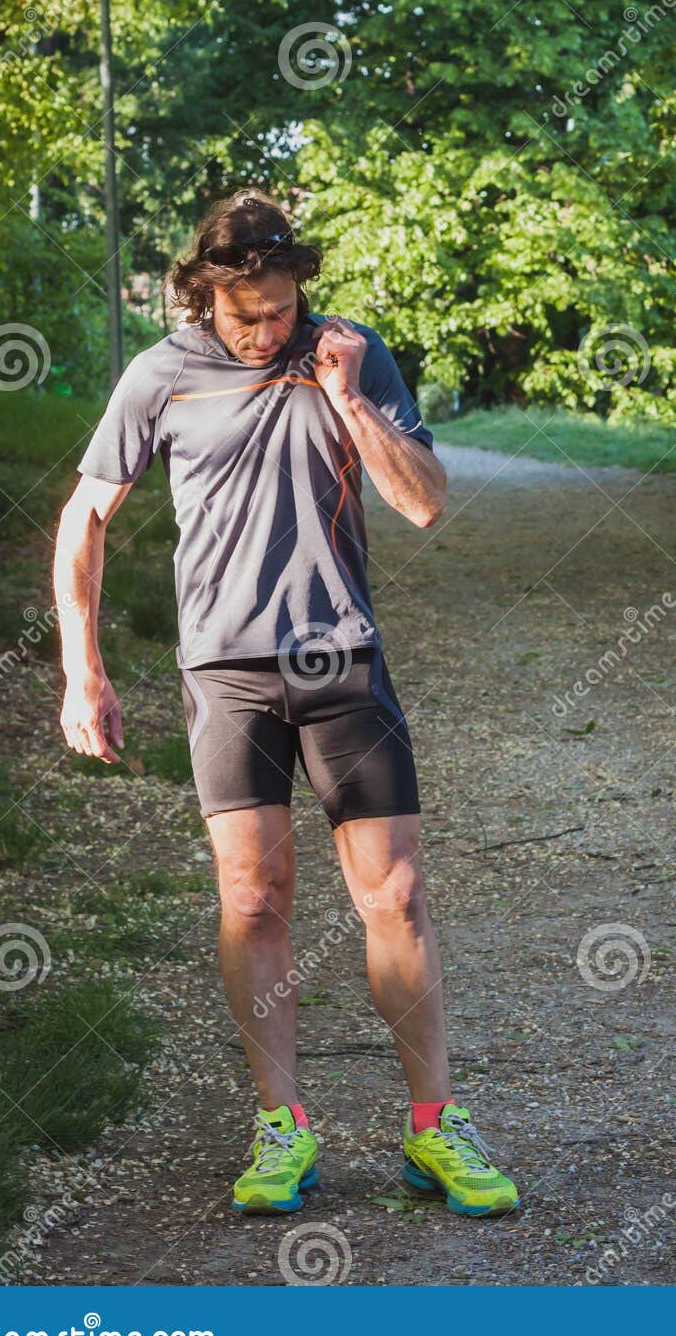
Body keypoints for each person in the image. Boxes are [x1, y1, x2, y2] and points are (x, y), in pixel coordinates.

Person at [52, 188, 518, 1218]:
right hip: (225, 671)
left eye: (281, 310)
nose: (267, 332)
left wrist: (349, 398)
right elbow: (84, 517)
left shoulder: (350, 351)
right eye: (245, 316)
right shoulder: (160, 375)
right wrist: (83, 667)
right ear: (203, 295)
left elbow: (425, 500)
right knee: (254, 897)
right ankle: (281, 1125)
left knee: (392, 893)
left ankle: (435, 1128)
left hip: (341, 658)